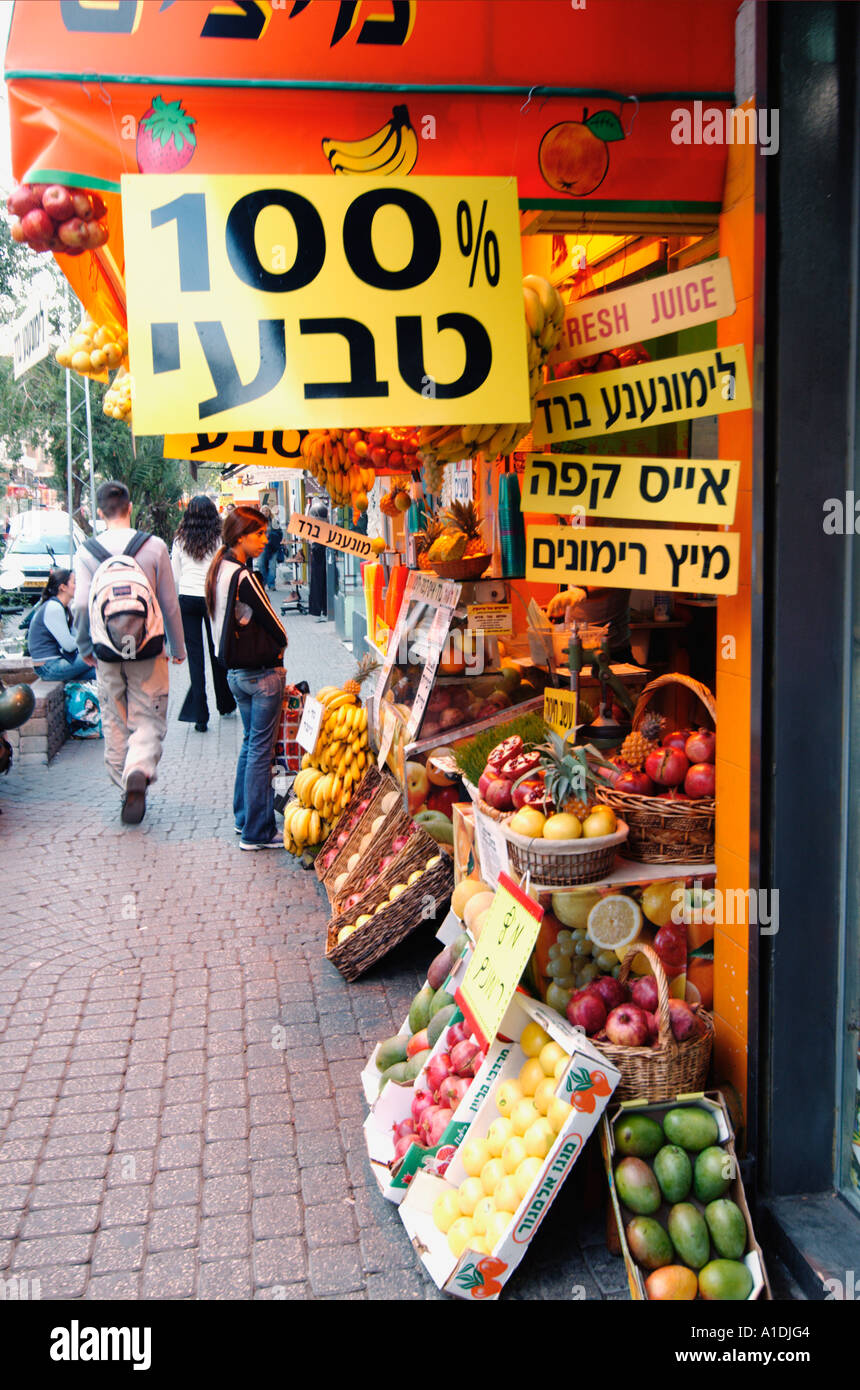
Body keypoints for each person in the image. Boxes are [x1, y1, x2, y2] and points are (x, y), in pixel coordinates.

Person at [74, 480, 186, 825]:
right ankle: (139, 768)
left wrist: (85, 648)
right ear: (131, 507)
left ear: (97, 512)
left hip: (105, 650)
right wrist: (178, 647)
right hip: (149, 648)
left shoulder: (86, 553)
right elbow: (169, 603)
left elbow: (80, 605)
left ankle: (125, 779)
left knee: (114, 715)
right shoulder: (153, 547)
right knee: (148, 715)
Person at [206, 506, 288, 850]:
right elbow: (274, 623)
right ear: (240, 537)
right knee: (260, 751)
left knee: (249, 745)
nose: (264, 539)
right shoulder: (244, 577)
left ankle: (244, 819)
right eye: (258, 534)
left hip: (235, 675)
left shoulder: (219, 570)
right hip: (260, 676)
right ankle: (258, 830)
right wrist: (282, 646)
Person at [171, 495, 237, 731]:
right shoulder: (220, 537)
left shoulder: (179, 539)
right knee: (217, 650)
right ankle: (225, 703)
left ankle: (200, 716)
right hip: (212, 597)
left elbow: (175, 575)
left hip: (187, 598)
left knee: (195, 659)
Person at [26, 569, 93, 683]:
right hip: (49, 667)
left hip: (54, 665)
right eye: (74, 582)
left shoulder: (64, 608)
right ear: (63, 587)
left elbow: (75, 635)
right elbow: (69, 645)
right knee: (101, 652)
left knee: (98, 672)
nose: (78, 586)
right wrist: (93, 640)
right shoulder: (54, 607)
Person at [307, 501, 328, 621]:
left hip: (319, 556)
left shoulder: (320, 527)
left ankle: (320, 608)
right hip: (318, 556)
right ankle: (321, 608)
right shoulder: (320, 527)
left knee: (319, 582)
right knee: (319, 582)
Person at [258, 506, 284, 592]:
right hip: (262, 546)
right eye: (263, 511)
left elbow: (280, 532)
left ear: (269, 512)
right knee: (261, 565)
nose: (265, 512)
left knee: (272, 566)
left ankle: (271, 584)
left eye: (266, 511)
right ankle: (264, 581)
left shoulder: (273, 522)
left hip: (273, 546)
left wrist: (273, 536)